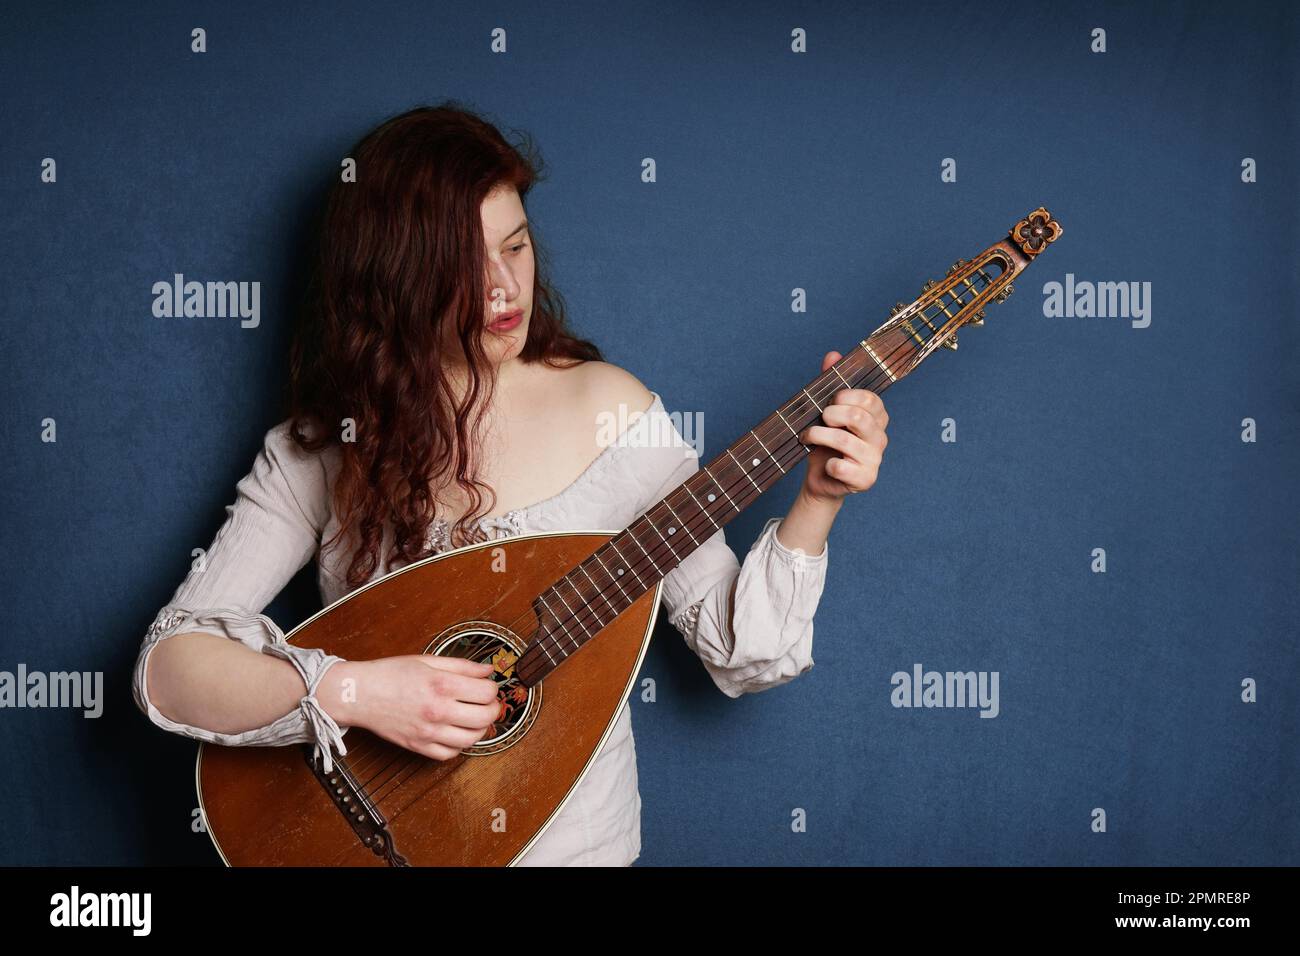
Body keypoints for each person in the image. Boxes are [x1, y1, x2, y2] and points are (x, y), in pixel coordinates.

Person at [131, 102, 890, 866]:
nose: (503, 288)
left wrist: (819, 499)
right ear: (394, 281)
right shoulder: (328, 448)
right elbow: (170, 670)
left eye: (516, 246)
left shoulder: (614, 413)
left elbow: (739, 653)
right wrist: (361, 694)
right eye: (464, 265)